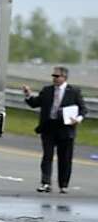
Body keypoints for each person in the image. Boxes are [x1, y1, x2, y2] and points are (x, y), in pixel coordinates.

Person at [23, 65, 87, 194]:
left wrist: (78, 119)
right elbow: (35, 103)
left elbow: (83, 109)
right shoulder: (47, 90)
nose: (54, 78)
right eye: (53, 76)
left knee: (65, 158)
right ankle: (45, 183)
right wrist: (28, 95)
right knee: (47, 156)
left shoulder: (74, 91)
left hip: (65, 128)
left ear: (64, 77)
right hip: (49, 127)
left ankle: (63, 185)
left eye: (57, 76)